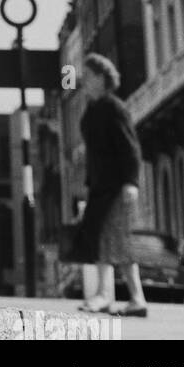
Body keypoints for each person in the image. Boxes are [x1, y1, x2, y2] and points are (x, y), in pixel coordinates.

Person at [72, 53, 147, 316]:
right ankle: (128, 298)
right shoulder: (92, 110)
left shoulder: (114, 108)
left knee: (113, 239)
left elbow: (131, 148)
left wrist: (131, 182)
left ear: (103, 78)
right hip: (100, 186)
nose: (84, 81)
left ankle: (113, 296)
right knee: (105, 239)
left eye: (89, 76)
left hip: (117, 186)